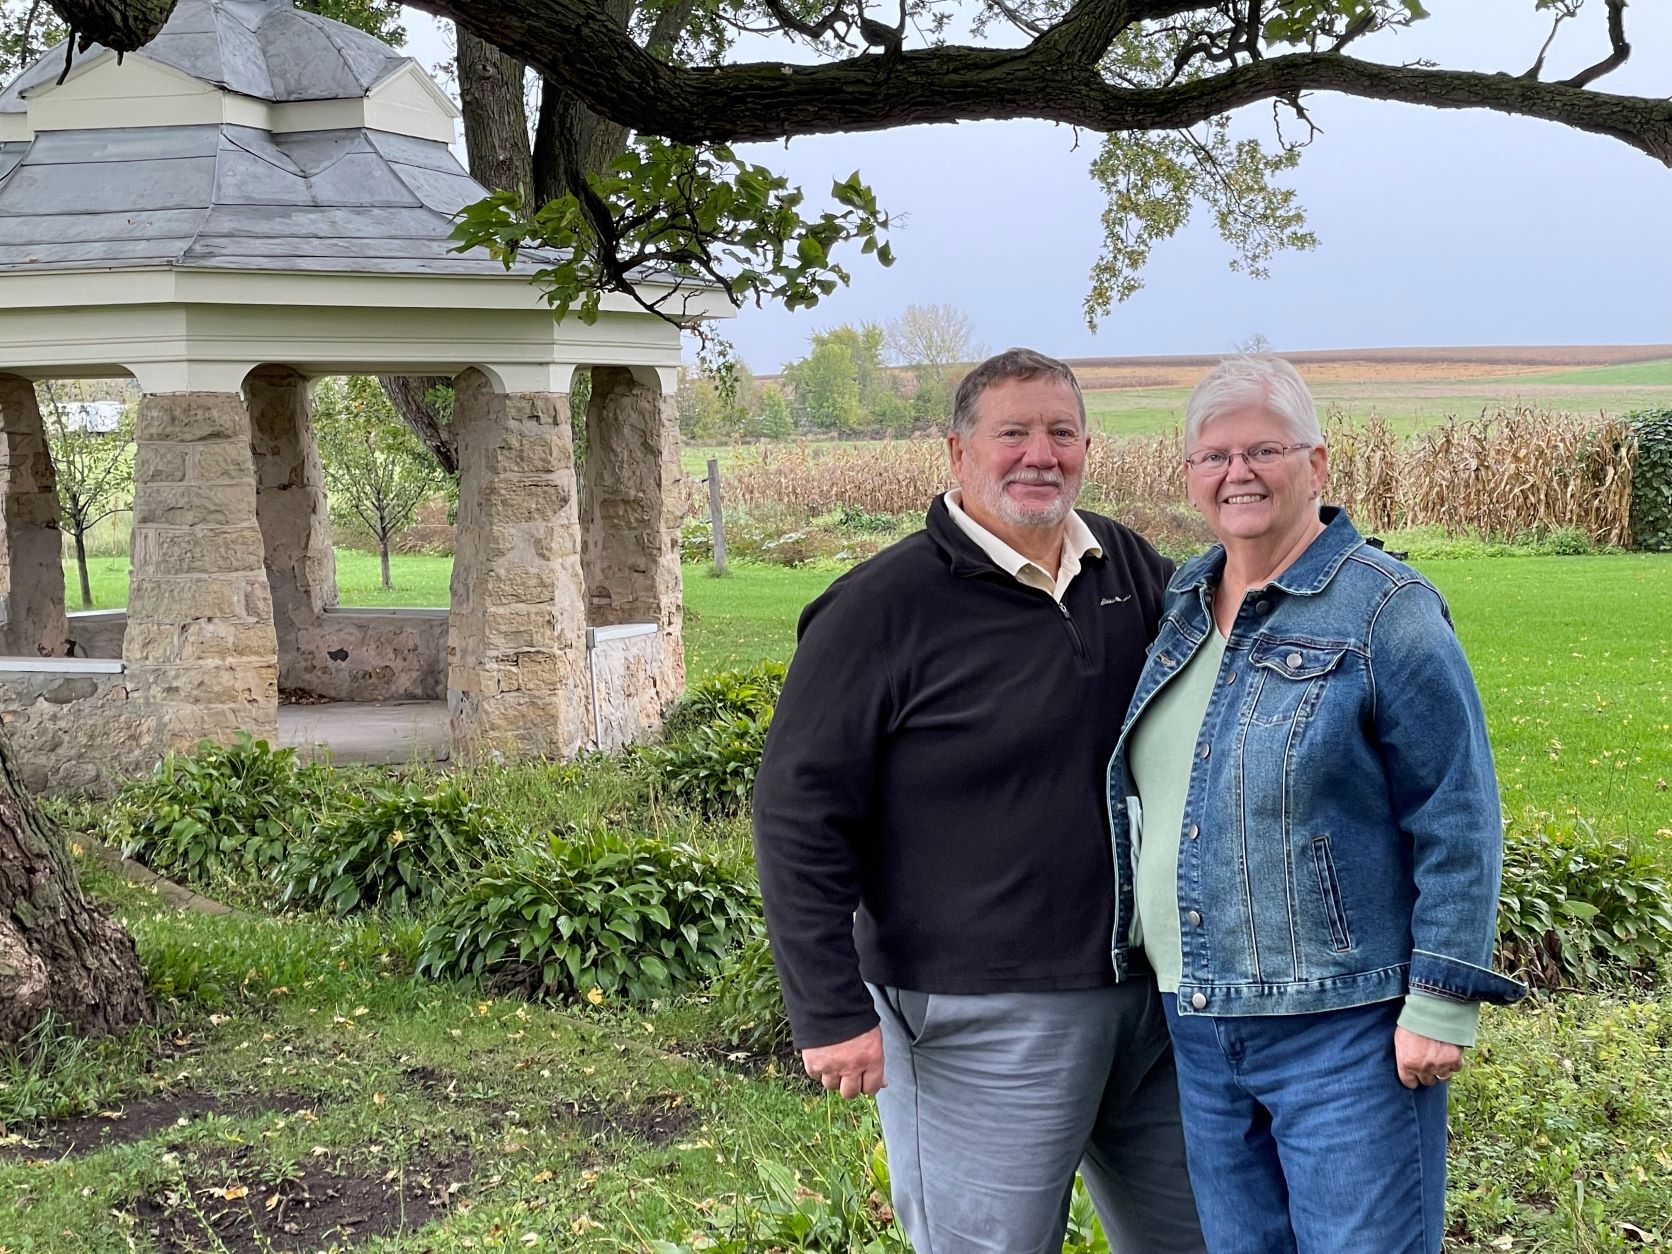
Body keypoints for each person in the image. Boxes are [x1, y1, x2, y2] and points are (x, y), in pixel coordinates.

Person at [752, 348, 1205, 1254]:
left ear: (1087, 446)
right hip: (978, 1017)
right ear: (957, 452)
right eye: (1013, 433)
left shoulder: (1128, 567)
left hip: (1150, 1004)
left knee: (1203, 1239)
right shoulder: (880, 609)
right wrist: (830, 1010)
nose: (1040, 454)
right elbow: (798, 812)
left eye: (1061, 432)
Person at [1107, 354, 1525, 1253]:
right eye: (1213, 456)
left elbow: (1456, 812)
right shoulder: (1183, 600)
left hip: (1343, 1024)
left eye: (1265, 449)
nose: (1238, 473)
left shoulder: (1386, 611)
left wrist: (1442, 1001)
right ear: (1188, 475)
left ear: (1318, 464)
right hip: (1200, 1014)